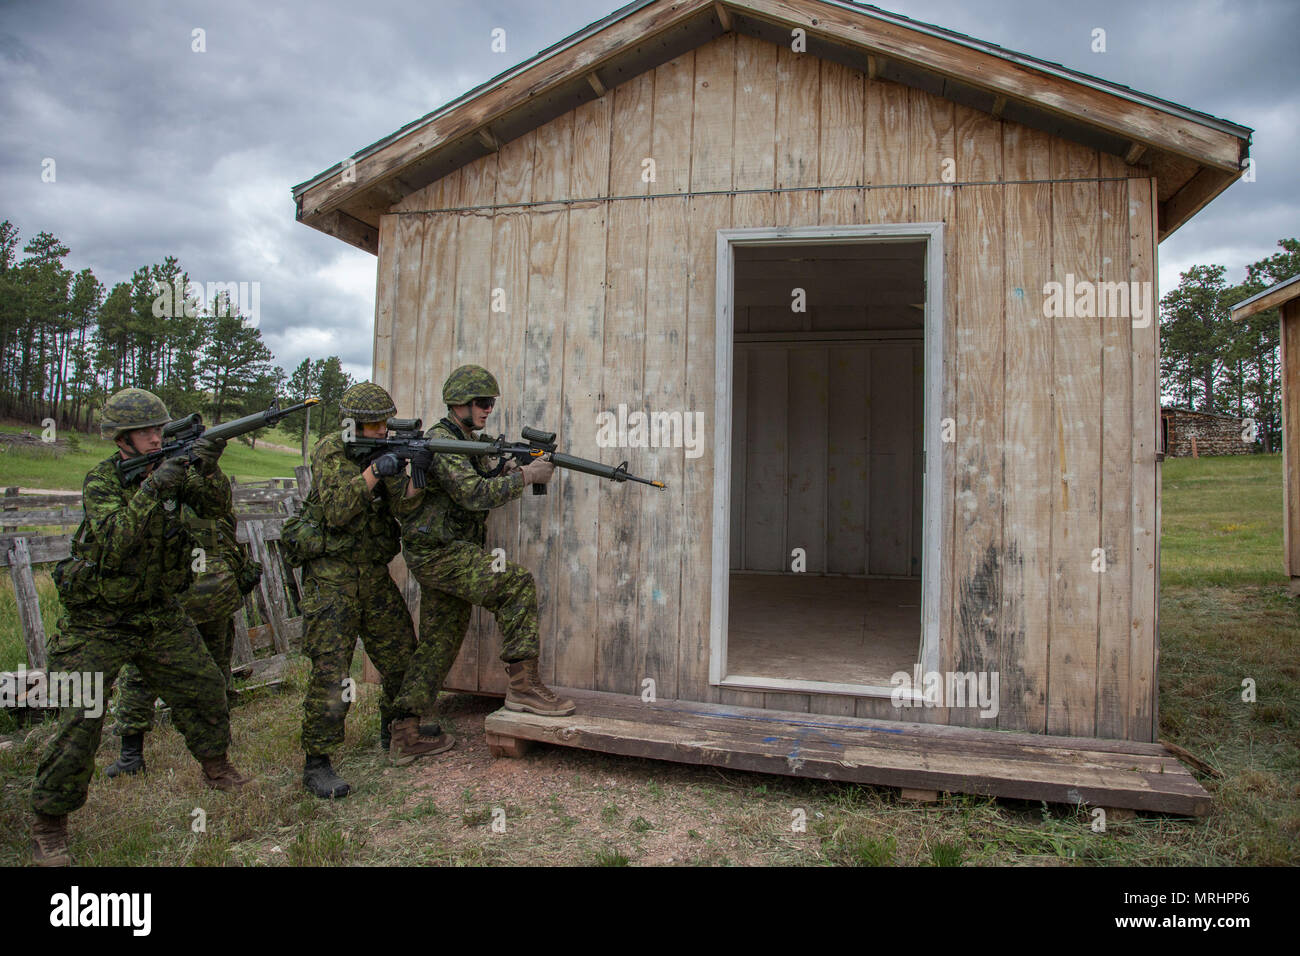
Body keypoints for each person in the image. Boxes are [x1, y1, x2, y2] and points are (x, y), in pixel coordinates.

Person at [30, 388, 250, 867]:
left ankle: (216, 767)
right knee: (79, 717)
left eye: (160, 429)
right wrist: (155, 486)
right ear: (122, 438)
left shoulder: (174, 470)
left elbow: (215, 508)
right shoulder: (103, 480)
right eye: (148, 431)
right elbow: (113, 542)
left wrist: (206, 465)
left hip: (157, 612)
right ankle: (49, 824)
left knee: (205, 688)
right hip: (99, 620)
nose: (157, 437)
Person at [391, 365, 575, 726]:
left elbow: (479, 479)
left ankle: (405, 728)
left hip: (444, 552)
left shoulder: (466, 441)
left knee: (438, 644)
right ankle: (523, 689)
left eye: (490, 402)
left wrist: (508, 469)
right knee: (515, 582)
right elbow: (472, 495)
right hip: (439, 553)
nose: (488, 409)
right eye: (481, 402)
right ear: (459, 403)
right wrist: (526, 476)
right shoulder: (442, 442)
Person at [297, 382, 451, 800]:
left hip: (371, 572)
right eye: (372, 426)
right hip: (332, 576)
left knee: (402, 654)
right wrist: (375, 470)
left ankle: (394, 730)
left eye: (384, 423)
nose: (381, 430)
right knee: (332, 672)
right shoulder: (332, 449)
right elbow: (337, 510)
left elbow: (405, 506)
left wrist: (417, 470)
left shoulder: (384, 447)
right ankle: (318, 762)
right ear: (352, 425)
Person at [104, 470, 262, 777]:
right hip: (211, 592)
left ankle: (130, 755)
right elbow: (228, 539)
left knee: (141, 675)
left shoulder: (157, 497)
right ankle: (218, 743)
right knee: (214, 672)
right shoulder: (205, 495)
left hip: (177, 596)